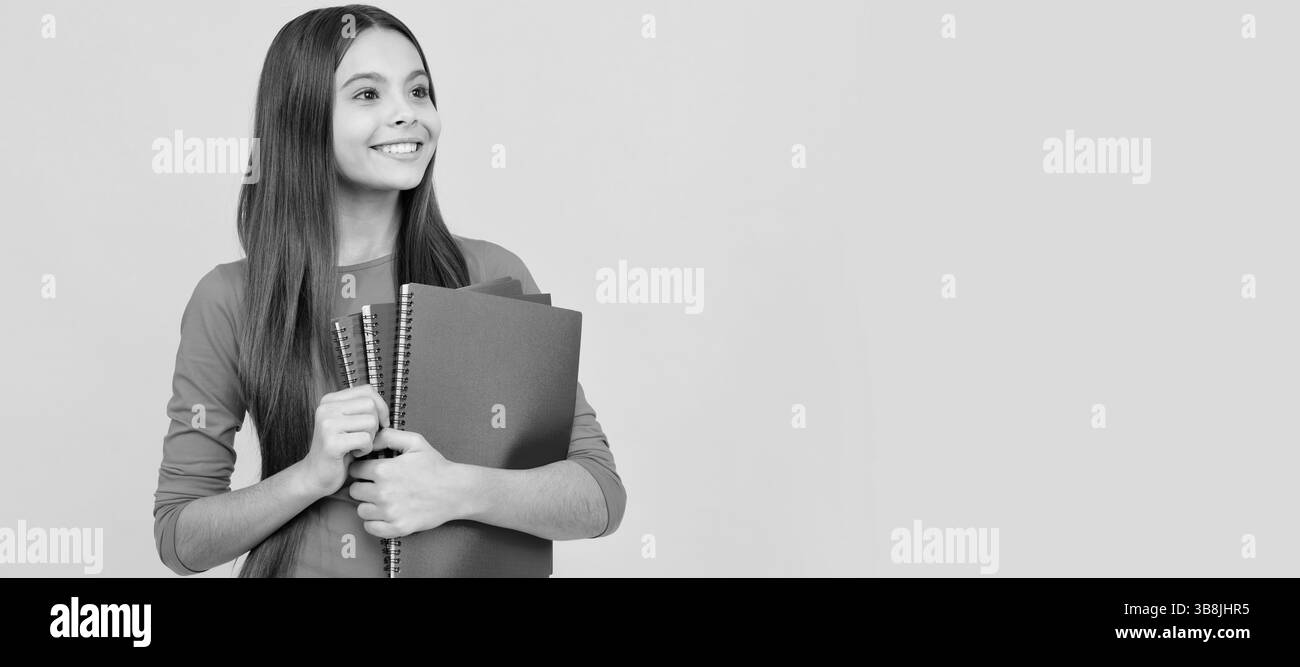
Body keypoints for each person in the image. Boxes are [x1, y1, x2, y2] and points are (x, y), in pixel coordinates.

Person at [152, 4, 626, 577]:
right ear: (303, 118)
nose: (408, 114)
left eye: (419, 91)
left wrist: (455, 490)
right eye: (368, 95)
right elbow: (180, 538)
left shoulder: (489, 273)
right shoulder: (230, 298)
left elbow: (599, 495)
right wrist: (310, 476)